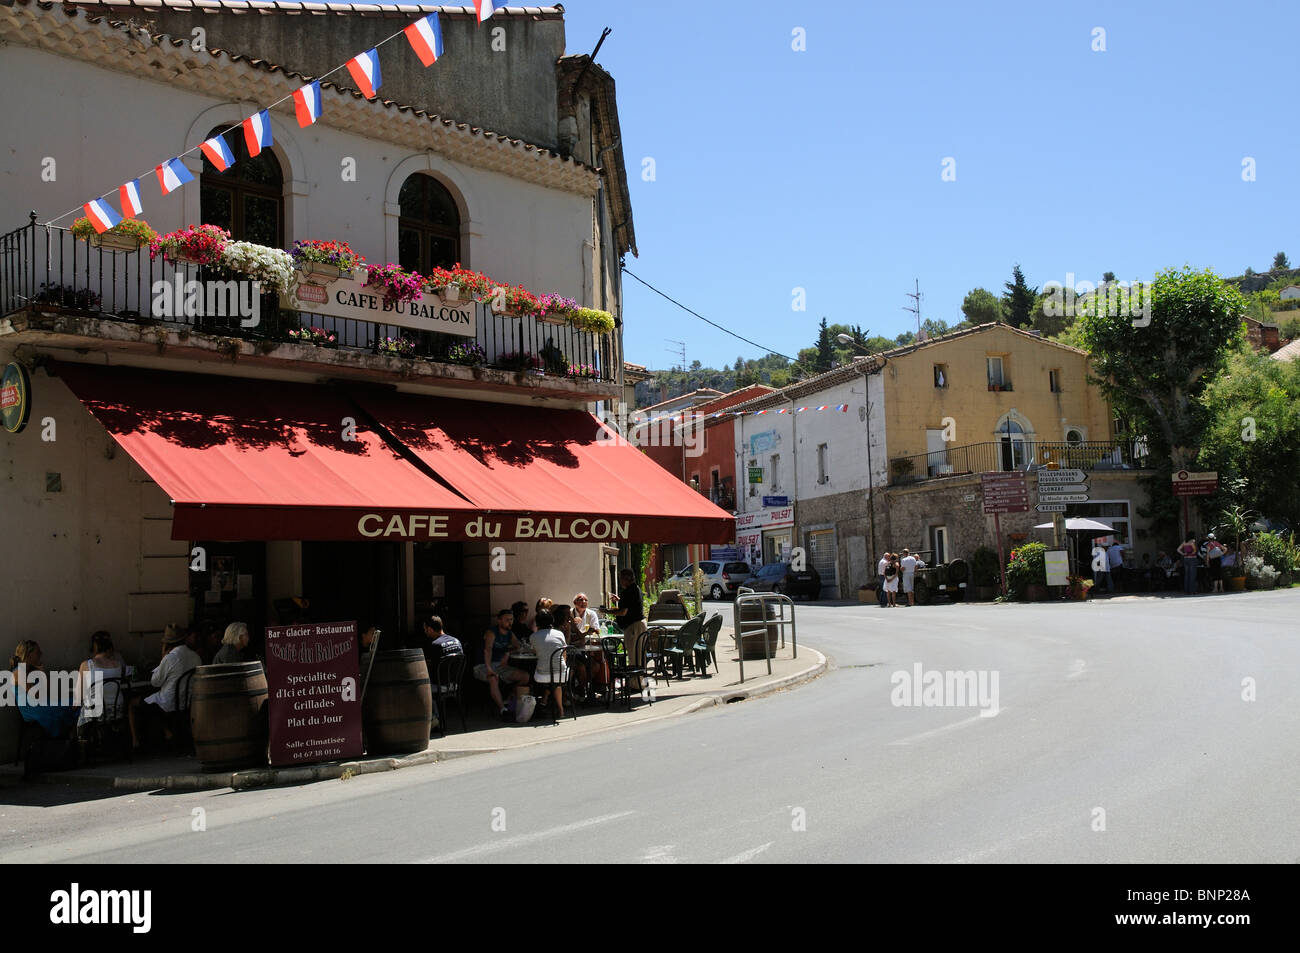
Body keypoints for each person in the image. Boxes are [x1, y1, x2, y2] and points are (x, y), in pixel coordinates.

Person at [129, 623, 201, 750]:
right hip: (187, 702)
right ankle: (166, 731)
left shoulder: (170, 658)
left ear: (167, 643)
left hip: (168, 703)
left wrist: (163, 656)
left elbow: (155, 682)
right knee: (151, 703)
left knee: (133, 704)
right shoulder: (196, 657)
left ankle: (136, 742)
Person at [10, 640, 78, 739]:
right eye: (37, 652)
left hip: (42, 704)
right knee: (72, 706)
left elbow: (47, 690)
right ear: (28, 655)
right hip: (32, 710)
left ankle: (71, 740)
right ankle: (69, 742)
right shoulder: (19, 672)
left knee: (76, 703)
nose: (41, 654)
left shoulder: (31, 670)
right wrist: (41, 673)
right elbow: (36, 695)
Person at [475, 609, 530, 718]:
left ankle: (509, 698)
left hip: (500, 666)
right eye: (507, 620)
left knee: (525, 676)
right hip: (483, 665)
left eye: (511, 620)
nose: (510, 622)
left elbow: (519, 646)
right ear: (499, 620)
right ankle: (502, 709)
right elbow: (488, 650)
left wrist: (508, 653)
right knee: (493, 678)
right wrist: (489, 669)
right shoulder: (492, 632)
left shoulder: (510, 633)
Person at [77, 631, 129, 730]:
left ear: (94, 647)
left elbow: (78, 696)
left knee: (77, 710)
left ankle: (82, 740)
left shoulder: (86, 665)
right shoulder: (118, 664)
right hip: (117, 711)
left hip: (95, 714)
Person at [529, 609, 569, 717]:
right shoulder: (559, 634)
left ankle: (540, 703)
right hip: (561, 674)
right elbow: (564, 653)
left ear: (537, 622)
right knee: (556, 683)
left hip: (542, 675)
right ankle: (561, 710)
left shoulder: (533, 637)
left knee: (533, 673)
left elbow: (535, 653)